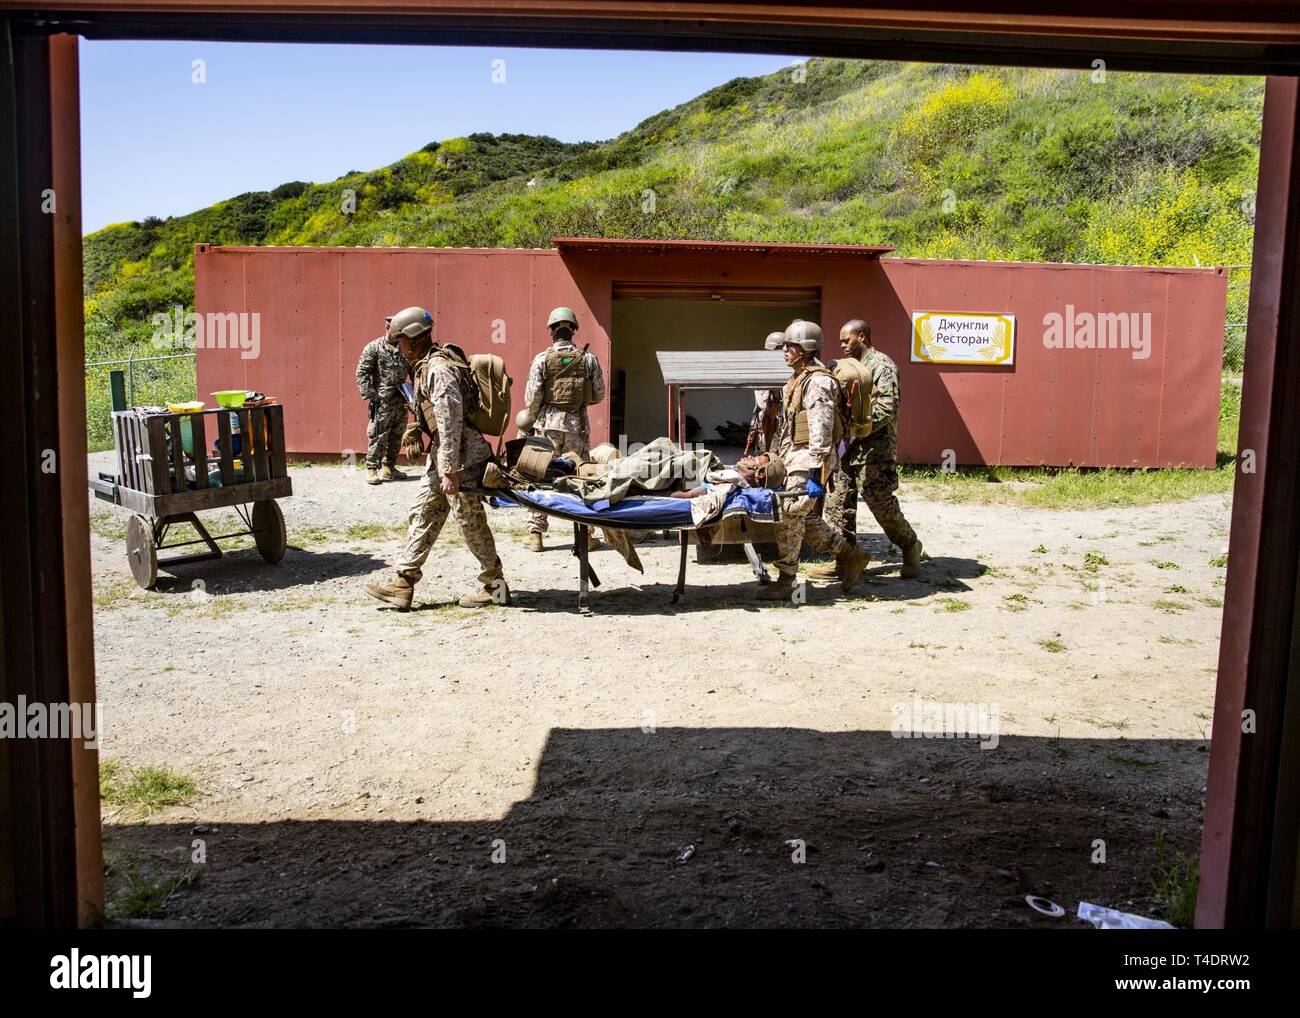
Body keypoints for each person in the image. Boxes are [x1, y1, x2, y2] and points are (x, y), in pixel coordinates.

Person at [364, 306, 510, 611]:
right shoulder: (425, 366)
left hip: (463, 460)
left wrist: (448, 470)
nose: (399, 348)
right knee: (423, 514)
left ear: (415, 340)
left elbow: (450, 421)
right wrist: (417, 429)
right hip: (446, 457)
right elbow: (433, 414)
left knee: (470, 523)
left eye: (402, 341)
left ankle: (496, 588)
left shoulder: (438, 370)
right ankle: (403, 584)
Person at [760, 320, 870, 601]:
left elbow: (820, 427)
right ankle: (850, 556)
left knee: (788, 512)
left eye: (790, 346)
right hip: (794, 454)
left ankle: (787, 580)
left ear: (806, 349)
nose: (785, 350)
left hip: (809, 457)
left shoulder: (818, 382)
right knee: (803, 515)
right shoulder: (797, 378)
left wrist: (815, 472)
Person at [813, 319, 923, 579]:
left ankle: (909, 545)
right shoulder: (845, 368)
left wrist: (858, 426)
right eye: (840, 341)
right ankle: (844, 559)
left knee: (879, 501)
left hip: (875, 449)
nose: (842, 345)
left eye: (846, 340)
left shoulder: (882, 366)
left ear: (861, 336)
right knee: (838, 504)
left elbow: (888, 406)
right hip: (846, 449)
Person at [517, 306, 606, 551]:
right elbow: (599, 393)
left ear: (551, 331)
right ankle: (586, 535)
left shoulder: (542, 360)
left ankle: (535, 533)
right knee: (581, 478)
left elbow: (532, 398)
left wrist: (533, 420)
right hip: (577, 426)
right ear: (573, 329)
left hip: (547, 426)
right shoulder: (588, 359)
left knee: (539, 477)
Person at [355, 315, 413, 485]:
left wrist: (414, 393)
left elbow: (413, 371)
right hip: (382, 400)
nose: (397, 333)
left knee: (397, 433)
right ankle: (372, 468)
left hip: (401, 398)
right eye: (394, 329)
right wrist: (371, 395)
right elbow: (362, 373)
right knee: (378, 434)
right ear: (387, 327)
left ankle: (389, 467)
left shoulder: (405, 348)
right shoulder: (374, 348)